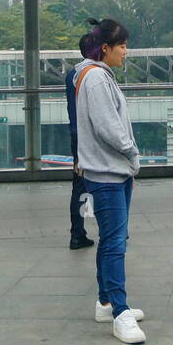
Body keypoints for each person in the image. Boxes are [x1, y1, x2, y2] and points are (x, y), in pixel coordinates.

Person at [73, 18, 145, 344]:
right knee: (115, 243)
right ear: (106, 48)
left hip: (109, 171)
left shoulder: (93, 75)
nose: (126, 52)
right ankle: (120, 311)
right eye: (122, 46)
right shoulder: (98, 78)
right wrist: (132, 152)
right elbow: (108, 127)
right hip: (108, 173)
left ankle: (106, 302)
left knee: (111, 239)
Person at [65, 30, 95, 251]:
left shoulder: (72, 73)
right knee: (107, 184)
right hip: (92, 138)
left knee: (80, 185)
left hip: (77, 136)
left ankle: (77, 232)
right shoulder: (93, 74)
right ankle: (113, 230)